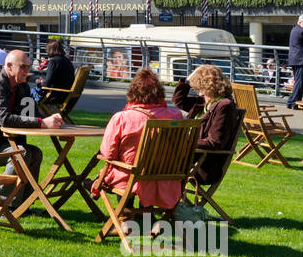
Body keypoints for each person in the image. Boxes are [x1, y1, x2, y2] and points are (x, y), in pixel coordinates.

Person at [0, 49, 63, 212]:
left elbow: (30, 112)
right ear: (9, 66)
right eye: (23, 67)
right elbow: (4, 119)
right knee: (22, 153)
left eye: (28, 67)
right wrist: (42, 123)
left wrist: (52, 119)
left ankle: (22, 205)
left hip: (1, 141)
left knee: (35, 153)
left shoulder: (23, 86)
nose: (27, 71)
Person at [92, 69, 185, 209]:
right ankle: (148, 216)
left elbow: (108, 154)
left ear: (133, 93)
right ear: (159, 93)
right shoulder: (176, 116)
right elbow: (182, 149)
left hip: (130, 176)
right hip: (166, 175)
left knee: (122, 166)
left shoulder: (122, 118)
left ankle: (126, 217)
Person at [171, 65, 242, 189]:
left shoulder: (224, 106)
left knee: (155, 164)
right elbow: (178, 100)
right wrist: (188, 80)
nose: (199, 93)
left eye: (200, 88)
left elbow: (215, 142)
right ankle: (161, 204)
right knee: (153, 159)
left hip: (203, 164)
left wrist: (182, 141)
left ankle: (156, 204)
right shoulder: (204, 104)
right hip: (190, 158)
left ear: (208, 87)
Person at [38, 38, 74, 107]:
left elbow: (48, 83)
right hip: (66, 96)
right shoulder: (66, 60)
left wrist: (40, 84)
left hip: (56, 96)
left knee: (29, 96)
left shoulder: (54, 61)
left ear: (50, 50)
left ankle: (30, 117)